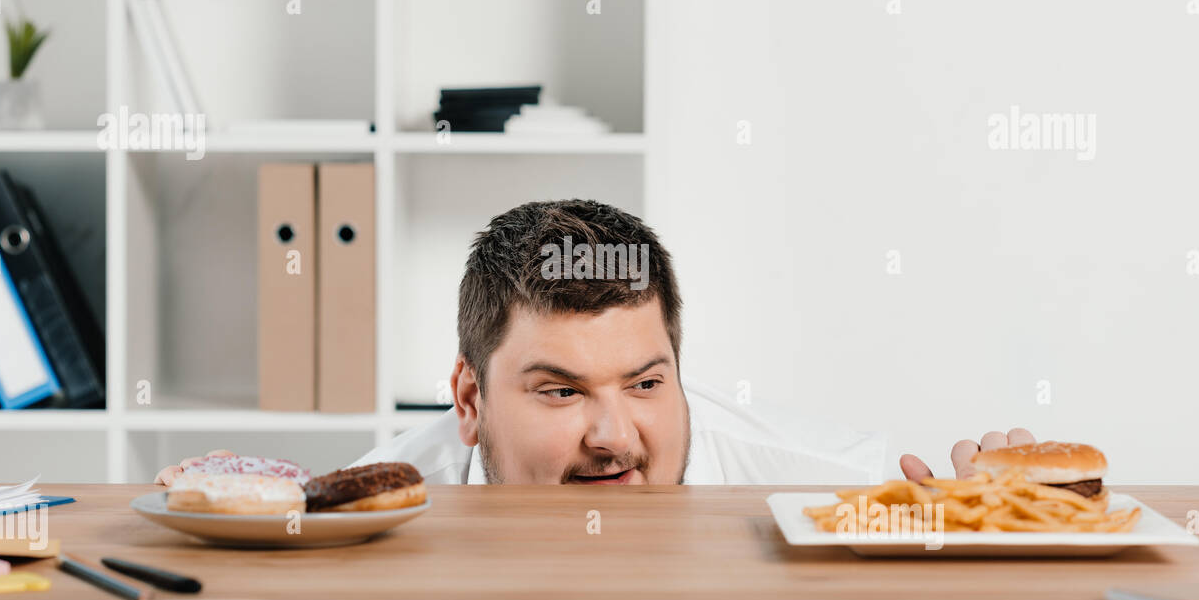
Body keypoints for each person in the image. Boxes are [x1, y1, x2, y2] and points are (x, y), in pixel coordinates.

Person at [157, 199, 1037, 486]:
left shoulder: (830, 486)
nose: (614, 435)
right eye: (560, 390)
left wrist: (992, 564)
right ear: (468, 401)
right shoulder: (383, 516)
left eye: (646, 382)